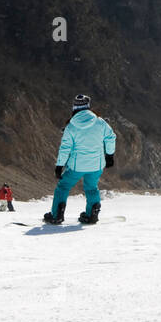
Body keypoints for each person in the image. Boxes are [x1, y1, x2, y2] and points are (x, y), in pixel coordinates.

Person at [45, 94, 116, 225]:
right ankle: (92, 215)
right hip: (96, 165)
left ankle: (57, 215)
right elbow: (111, 137)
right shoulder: (100, 122)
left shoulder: (71, 127)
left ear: (74, 108)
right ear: (88, 106)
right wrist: (110, 155)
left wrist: (59, 166)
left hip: (77, 167)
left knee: (63, 187)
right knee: (92, 188)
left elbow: (65, 148)